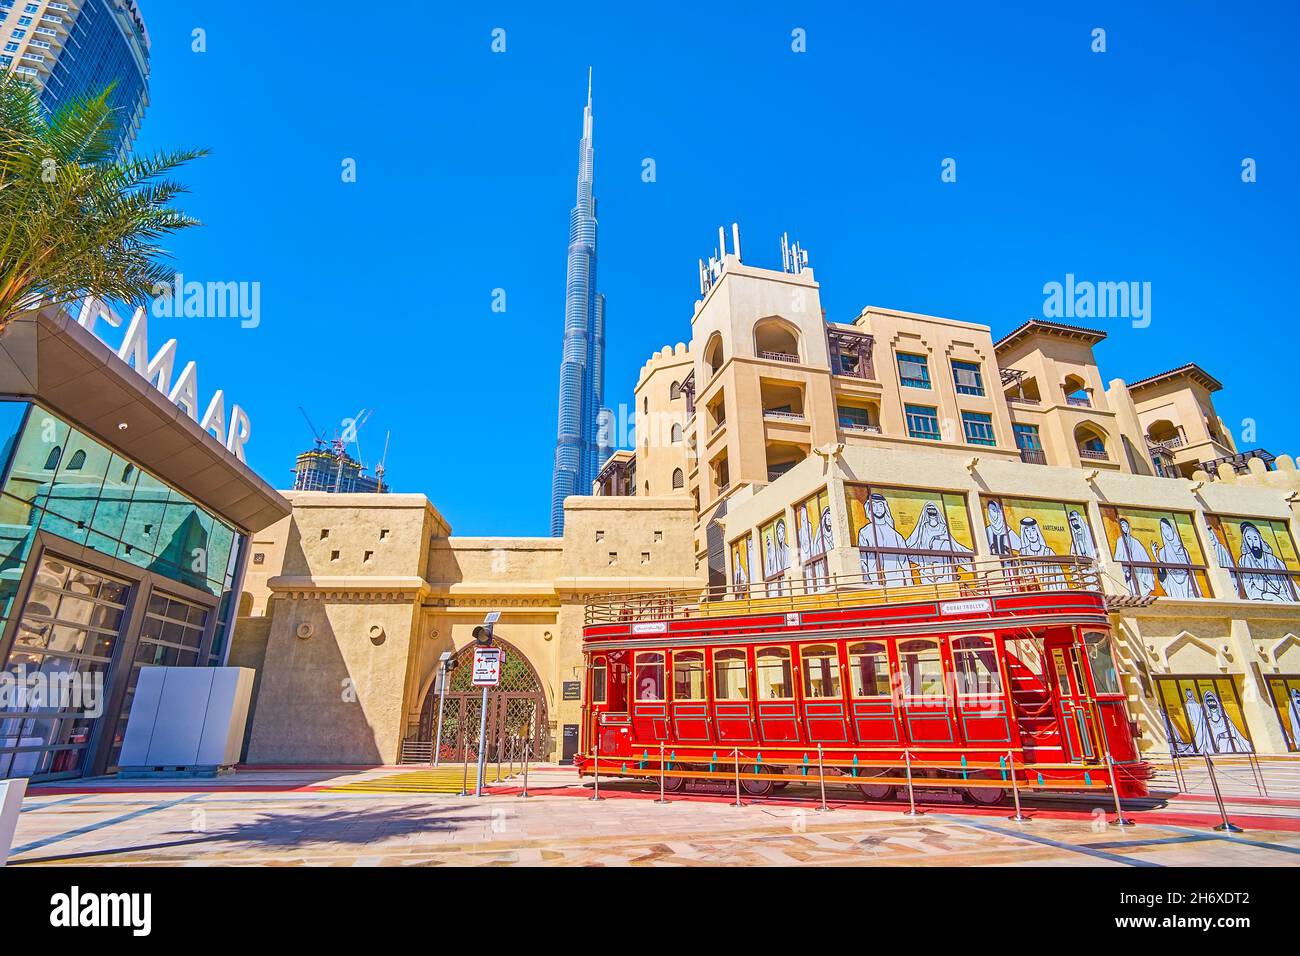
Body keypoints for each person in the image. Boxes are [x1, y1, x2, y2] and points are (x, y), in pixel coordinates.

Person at [904, 500, 973, 585]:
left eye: (933, 512)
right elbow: (919, 541)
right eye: (929, 512)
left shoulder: (942, 527)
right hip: (928, 561)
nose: (932, 515)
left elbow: (949, 540)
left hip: (943, 562)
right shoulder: (924, 527)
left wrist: (936, 538)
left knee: (946, 544)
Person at [858, 494, 911, 587]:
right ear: (869, 508)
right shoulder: (865, 532)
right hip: (875, 582)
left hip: (896, 582)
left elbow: (904, 562)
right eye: (873, 505)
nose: (877, 508)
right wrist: (867, 583)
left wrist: (910, 584)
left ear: (885, 507)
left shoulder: (896, 535)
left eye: (880, 505)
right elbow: (863, 560)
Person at [1237, 521, 1296, 602]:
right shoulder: (1244, 560)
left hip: (1283, 599)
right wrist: (1268, 596)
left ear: (1260, 539)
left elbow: (1287, 585)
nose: (1254, 543)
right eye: (1249, 539)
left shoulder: (1274, 560)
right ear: (1246, 542)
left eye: (1255, 538)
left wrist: (1283, 598)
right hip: (1261, 599)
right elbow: (1250, 589)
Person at [1193, 689, 1253, 753]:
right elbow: (1207, 740)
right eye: (1209, 702)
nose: (1212, 704)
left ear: (1217, 703)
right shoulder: (1207, 722)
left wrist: (1221, 736)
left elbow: (1233, 734)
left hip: (1229, 746)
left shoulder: (1225, 720)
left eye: (1213, 701)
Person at [1154, 517, 1200, 598]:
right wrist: (1155, 556)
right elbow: (1163, 577)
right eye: (1163, 529)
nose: (1166, 532)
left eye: (1168, 528)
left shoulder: (1184, 551)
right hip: (1174, 589)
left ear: (1172, 529)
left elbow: (1191, 573)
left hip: (1188, 587)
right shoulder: (1162, 552)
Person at [1016, 517, 1065, 589]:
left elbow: (1059, 577)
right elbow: (1022, 577)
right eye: (1027, 530)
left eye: (1033, 530)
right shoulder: (1023, 552)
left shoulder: (1048, 552)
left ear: (1037, 531)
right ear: (1024, 533)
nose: (1030, 534)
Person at [1113, 517, 1155, 597]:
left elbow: (1144, 558)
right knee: (1130, 588)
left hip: (1138, 572)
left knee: (1138, 588)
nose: (1123, 528)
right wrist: (1125, 570)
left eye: (1125, 526)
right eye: (1121, 526)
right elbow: (1118, 558)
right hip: (1127, 573)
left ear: (1128, 527)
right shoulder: (1120, 541)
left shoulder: (1136, 542)